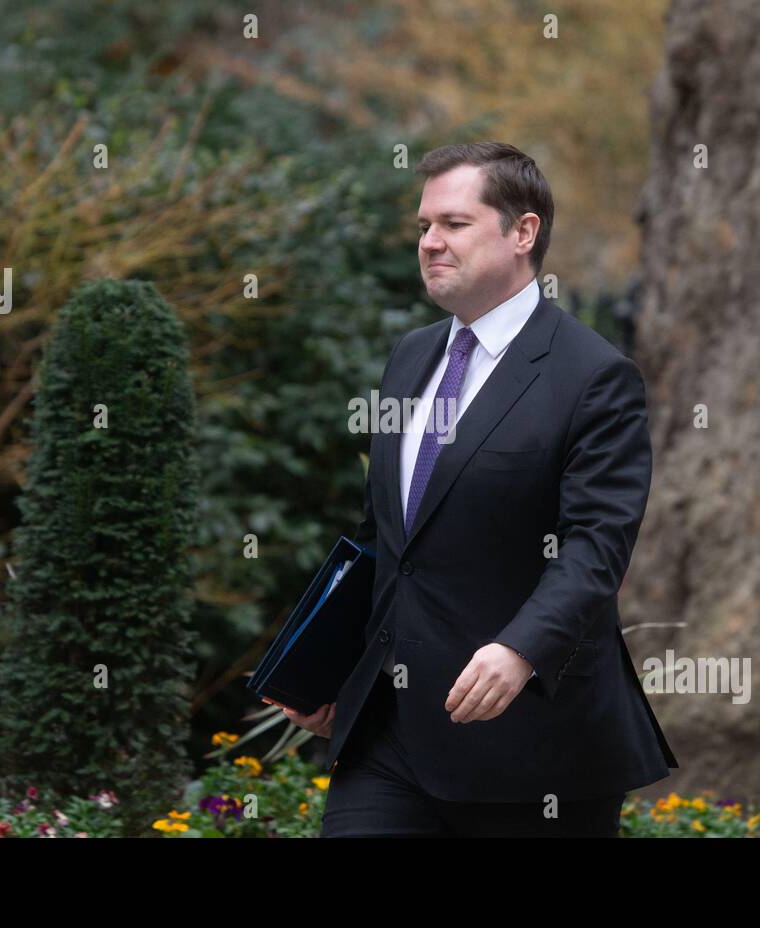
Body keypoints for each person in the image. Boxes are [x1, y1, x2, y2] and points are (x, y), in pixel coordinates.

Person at [264, 141, 677, 837]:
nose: (429, 242)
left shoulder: (594, 377)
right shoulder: (410, 358)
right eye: (424, 226)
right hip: (388, 737)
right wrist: (328, 669)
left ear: (523, 233)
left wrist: (519, 649)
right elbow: (385, 541)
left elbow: (595, 548)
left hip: (536, 746)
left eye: (454, 224)